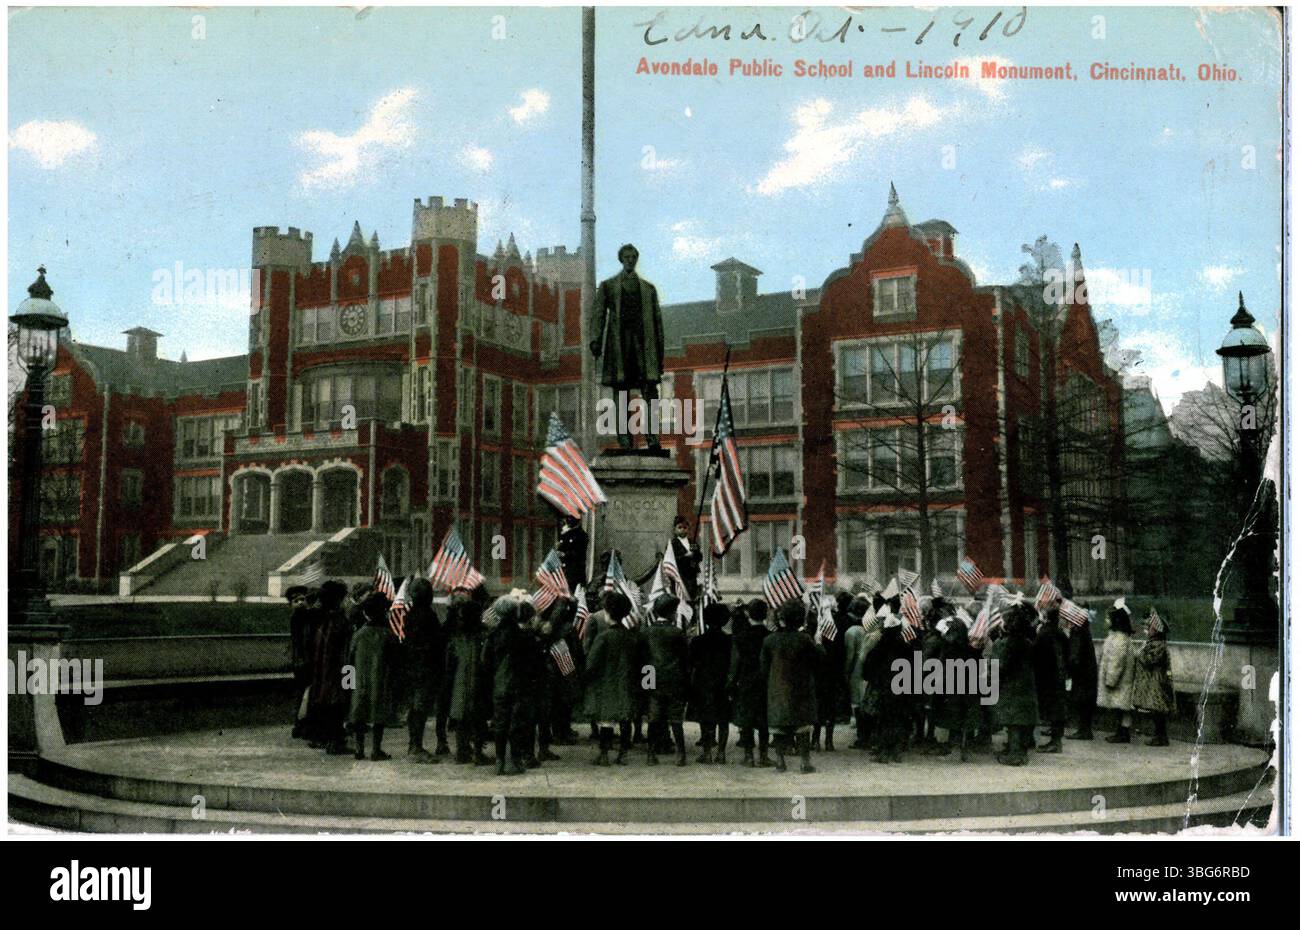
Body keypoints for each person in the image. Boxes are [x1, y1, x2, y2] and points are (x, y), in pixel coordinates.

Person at [587, 243, 666, 453]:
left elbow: (657, 323)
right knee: (621, 392)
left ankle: (652, 438)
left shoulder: (648, 289)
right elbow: (598, 315)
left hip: (644, 346)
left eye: (633, 257)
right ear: (621, 259)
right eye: (627, 257)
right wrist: (595, 339)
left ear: (636, 259)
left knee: (650, 391)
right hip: (619, 346)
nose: (630, 260)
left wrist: (659, 355)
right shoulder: (608, 286)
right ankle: (624, 440)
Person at [760, 599, 823, 774]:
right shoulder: (805, 639)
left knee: (778, 727)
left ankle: (780, 761)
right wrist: (819, 644)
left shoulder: (769, 640)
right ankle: (805, 762)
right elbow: (818, 661)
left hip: (777, 688)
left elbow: (763, 668)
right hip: (802, 688)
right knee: (803, 727)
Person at [481, 595, 539, 776]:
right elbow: (531, 663)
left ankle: (499, 760)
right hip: (519, 684)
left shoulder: (493, 636)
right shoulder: (524, 636)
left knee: (500, 723)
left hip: (500, 683)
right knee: (517, 723)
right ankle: (514, 759)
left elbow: (485, 662)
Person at [583, 592, 641, 765]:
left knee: (606, 721)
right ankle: (623, 754)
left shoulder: (603, 637)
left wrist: (587, 680)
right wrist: (647, 685)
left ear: (607, 612)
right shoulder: (632, 637)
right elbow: (642, 664)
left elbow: (591, 663)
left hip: (606, 684)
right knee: (625, 719)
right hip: (627, 684)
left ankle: (604, 754)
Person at [347, 592, 399, 761]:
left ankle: (359, 748)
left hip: (358, 682)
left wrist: (347, 685)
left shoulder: (358, 635)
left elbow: (349, 661)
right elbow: (394, 662)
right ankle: (376, 749)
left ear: (365, 613)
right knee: (378, 715)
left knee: (358, 714)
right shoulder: (388, 635)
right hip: (380, 681)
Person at [641, 594, 691, 766]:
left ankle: (650, 754)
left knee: (653, 718)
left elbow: (642, 658)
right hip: (674, 679)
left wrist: (644, 682)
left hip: (650, 677)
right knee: (676, 719)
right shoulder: (677, 633)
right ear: (672, 613)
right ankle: (681, 754)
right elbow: (685, 660)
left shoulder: (646, 632)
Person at [444, 591, 492, 766]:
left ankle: (462, 751)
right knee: (479, 719)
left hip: (459, 682)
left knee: (461, 719)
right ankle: (478, 752)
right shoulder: (483, 636)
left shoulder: (456, 637)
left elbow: (450, 661)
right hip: (479, 682)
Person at [306, 580, 353, 755]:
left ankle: (322, 737)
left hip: (323, 669)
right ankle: (336, 741)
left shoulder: (321, 619)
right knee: (340, 702)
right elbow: (346, 651)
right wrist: (350, 678)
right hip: (340, 669)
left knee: (323, 700)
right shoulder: (340, 620)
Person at [402, 577, 445, 763]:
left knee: (416, 707)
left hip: (413, 667)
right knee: (420, 708)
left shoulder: (411, 615)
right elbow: (434, 643)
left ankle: (414, 745)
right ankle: (415, 747)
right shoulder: (427, 616)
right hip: (424, 667)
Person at [992, 602, 1039, 766]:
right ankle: (1019, 751)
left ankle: (1015, 754)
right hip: (1025, 685)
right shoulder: (1026, 641)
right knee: (1021, 720)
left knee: (1014, 722)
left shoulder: (1008, 643)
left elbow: (1001, 666)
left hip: (1012, 686)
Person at [728, 602, 772, 767]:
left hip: (746, 682)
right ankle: (764, 756)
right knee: (764, 720)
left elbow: (735, 663)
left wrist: (731, 683)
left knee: (746, 720)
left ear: (748, 614)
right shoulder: (770, 636)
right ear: (765, 614)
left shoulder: (740, 637)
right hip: (765, 682)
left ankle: (748, 756)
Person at [689, 602, 732, 764]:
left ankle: (706, 752)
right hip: (723, 682)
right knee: (723, 719)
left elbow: (691, 663)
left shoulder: (697, 641)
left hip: (703, 683)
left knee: (705, 719)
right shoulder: (729, 641)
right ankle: (721, 753)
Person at [1132, 609, 1174, 747]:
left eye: (1149, 627)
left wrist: (1140, 653)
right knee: (1155, 710)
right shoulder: (1154, 643)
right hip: (1154, 682)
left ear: (1156, 630)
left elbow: (1150, 660)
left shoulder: (1158, 645)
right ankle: (1159, 736)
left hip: (1157, 683)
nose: (1147, 629)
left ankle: (1161, 737)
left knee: (1158, 710)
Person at [1097, 598, 1137, 743]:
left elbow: (1116, 662)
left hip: (1120, 681)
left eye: (1108, 618)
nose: (1106, 620)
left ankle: (1123, 733)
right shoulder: (1119, 637)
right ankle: (1121, 732)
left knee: (1122, 708)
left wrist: (1110, 679)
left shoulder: (1119, 639)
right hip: (1122, 680)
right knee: (1121, 708)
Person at [1033, 604, 1069, 754]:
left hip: (1046, 676)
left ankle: (1055, 743)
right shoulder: (1061, 634)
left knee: (1052, 709)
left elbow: (1035, 653)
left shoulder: (1044, 633)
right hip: (1058, 675)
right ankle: (1056, 740)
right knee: (1057, 708)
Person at [1065, 595, 1099, 741]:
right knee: (1085, 701)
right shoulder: (1084, 628)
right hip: (1087, 671)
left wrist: (1068, 670)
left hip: (1082, 673)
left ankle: (1084, 730)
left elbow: (1075, 655)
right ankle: (1085, 729)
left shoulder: (1077, 631)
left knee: (1082, 701)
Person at [842, 596, 873, 750]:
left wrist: (846, 672)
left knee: (857, 704)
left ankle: (862, 737)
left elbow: (850, 656)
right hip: (870, 670)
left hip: (857, 670)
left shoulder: (851, 632)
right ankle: (868, 735)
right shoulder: (872, 630)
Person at [286, 586, 315, 739]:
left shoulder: (299, 616)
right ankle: (301, 724)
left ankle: (300, 724)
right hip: (303, 660)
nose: (300, 603)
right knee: (305, 692)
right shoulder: (300, 617)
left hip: (300, 659)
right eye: (296, 600)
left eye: (302, 599)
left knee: (302, 692)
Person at [669, 516, 702, 600]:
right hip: (679, 574)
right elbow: (671, 559)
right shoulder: (673, 544)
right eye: (679, 527)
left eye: (685, 527)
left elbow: (699, 556)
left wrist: (694, 555)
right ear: (675, 529)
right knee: (680, 596)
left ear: (688, 529)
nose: (682, 529)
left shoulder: (692, 543)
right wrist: (685, 556)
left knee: (691, 596)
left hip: (691, 575)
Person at [557, 514, 589, 595]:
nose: (568, 521)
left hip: (574, 572)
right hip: (564, 571)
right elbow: (560, 548)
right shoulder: (566, 533)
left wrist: (564, 555)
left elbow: (579, 553)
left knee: (573, 593)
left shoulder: (581, 535)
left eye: (570, 519)